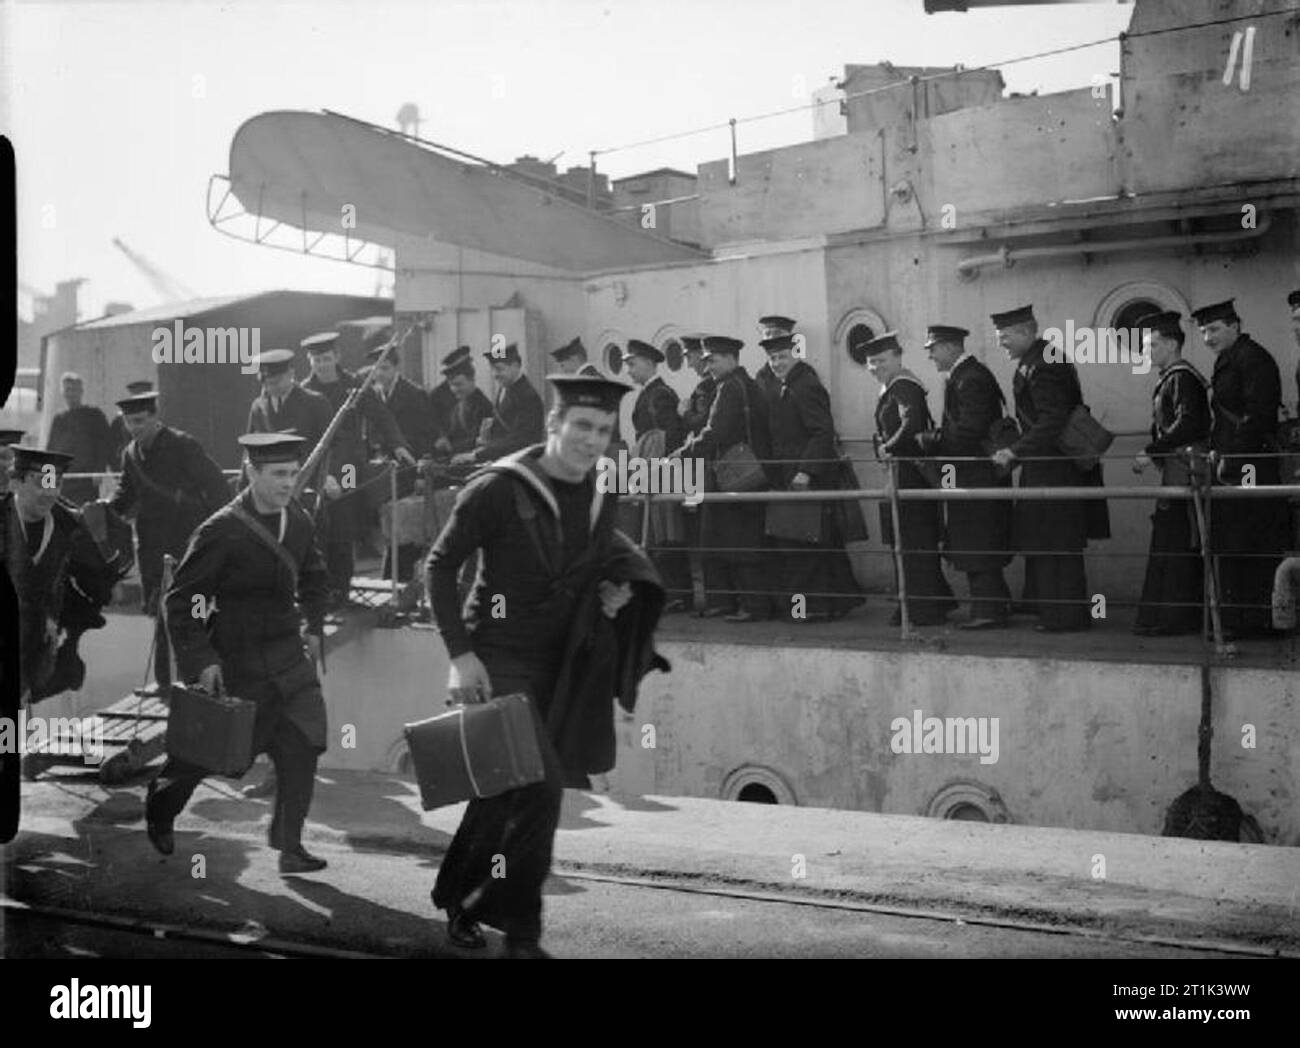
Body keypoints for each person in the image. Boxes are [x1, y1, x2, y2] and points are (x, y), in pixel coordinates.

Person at [426, 374, 666, 959]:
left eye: (604, 431)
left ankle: (460, 895)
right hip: (498, 657)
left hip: (561, 664)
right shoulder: (496, 489)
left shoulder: (602, 494)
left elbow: (591, 563)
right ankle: (520, 930)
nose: (592, 440)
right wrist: (460, 656)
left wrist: (614, 593)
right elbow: (438, 566)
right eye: (582, 426)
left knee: (501, 793)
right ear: (553, 425)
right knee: (540, 785)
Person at [146, 433, 331, 875]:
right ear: (251, 473)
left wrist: (315, 623)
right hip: (238, 662)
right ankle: (161, 805)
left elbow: (314, 574)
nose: (290, 483)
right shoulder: (221, 531)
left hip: (288, 661)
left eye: (292, 473)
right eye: (279, 475)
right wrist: (202, 659)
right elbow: (183, 601)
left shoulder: (299, 521)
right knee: (208, 755)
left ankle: (290, 846)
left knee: (302, 745)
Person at [989, 305, 1110, 632]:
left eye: (1006, 336)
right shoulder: (1045, 358)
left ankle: (1064, 618)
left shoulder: (1042, 365)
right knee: (1053, 542)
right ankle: (1058, 614)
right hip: (1054, 463)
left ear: (1028, 331)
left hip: (1053, 466)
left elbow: (1052, 420)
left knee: (1055, 542)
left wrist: (1014, 450)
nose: (1002, 343)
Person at [109, 392, 230, 690]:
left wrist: (216, 537)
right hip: (152, 548)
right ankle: (165, 684)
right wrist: (104, 509)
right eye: (129, 422)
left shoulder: (183, 446)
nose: (134, 428)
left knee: (196, 609)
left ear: (154, 417)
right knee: (162, 616)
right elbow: (125, 496)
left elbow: (217, 489)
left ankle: (201, 677)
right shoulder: (130, 454)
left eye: (139, 421)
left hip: (189, 543)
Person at [1193, 298, 1287, 637]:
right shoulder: (1232, 358)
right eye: (1203, 331)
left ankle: (1256, 621)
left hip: (1250, 464)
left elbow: (1258, 416)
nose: (1208, 337)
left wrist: (1229, 456)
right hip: (1235, 463)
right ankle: (1241, 619)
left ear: (1236, 326)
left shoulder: (1252, 359)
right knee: (1236, 540)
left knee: (1252, 540)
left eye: (1214, 329)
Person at [300, 331, 415, 605]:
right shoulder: (304, 392)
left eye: (326, 359)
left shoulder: (356, 387)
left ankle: (341, 588)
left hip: (349, 465)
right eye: (316, 360)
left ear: (337, 357)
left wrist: (398, 445)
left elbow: (382, 416)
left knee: (344, 521)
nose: (321, 365)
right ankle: (320, 589)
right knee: (316, 527)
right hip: (318, 467)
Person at [759, 332, 862, 621]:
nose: (777, 363)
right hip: (794, 475)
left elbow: (822, 431)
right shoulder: (790, 384)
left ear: (795, 355)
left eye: (782, 356)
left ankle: (808, 610)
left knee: (801, 548)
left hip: (805, 478)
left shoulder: (804, 386)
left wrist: (806, 470)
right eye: (772, 358)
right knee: (811, 546)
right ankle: (832, 606)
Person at [916, 325, 1012, 629]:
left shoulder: (969, 379)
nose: (930, 355)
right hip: (976, 473)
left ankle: (988, 612)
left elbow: (970, 428)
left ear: (949, 347)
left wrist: (932, 439)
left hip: (976, 474)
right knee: (977, 540)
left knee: (977, 542)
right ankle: (995, 605)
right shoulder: (968, 375)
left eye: (933, 348)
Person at [674, 335, 773, 622]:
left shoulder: (730, 387)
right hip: (750, 472)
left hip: (734, 475)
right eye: (706, 361)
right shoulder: (745, 385)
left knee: (738, 540)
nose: (709, 367)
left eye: (713, 360)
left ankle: (752, 606)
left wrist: (682, 454)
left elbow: (715, 431)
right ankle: (742, 604)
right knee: (738, 539)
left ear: (731, 359)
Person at [861, 331, 956, 627]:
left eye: (881, 360)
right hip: (904, 472)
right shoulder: (896, 385)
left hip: (909, 474)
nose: (876, 367)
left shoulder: (903, 384)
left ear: (897, 357)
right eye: (871, 362)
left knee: (911, 541)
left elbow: (911, 422)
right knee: (912, 541)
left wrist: (886, 447)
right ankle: (930, 602)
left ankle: (921, 610)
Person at [1130, 311, 1211, 636]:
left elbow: (1190, 422)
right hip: (1178, 471)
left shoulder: (1182, 378)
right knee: (1172, 541)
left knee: (1177, 541)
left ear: (1172, 344)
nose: (1146, 352)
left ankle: (1173, 620)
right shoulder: (1176, 376)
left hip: (1185, 472)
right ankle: (1166, 618)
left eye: (1151, 345)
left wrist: (1152, 451)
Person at [623, 340, 692, 611]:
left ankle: (677, 594)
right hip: (652, 469)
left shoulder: (660, 394)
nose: (628, 370)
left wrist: (654, 462)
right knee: (657, 532)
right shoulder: (650, 393)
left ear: (650, 364)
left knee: (666, 532)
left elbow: (672, 433)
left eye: (632, 364)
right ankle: (671, 592)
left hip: (660, 471)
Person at [365, 335, 435, 581]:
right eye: (376, 369)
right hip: (385, 471)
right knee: (389, 524)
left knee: (406, 526)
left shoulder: (414, 394)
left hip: (409, 468)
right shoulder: (373, 395)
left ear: (396, 368)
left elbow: (427, 437)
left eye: (384, 368)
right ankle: (394, 576)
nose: (379, 374)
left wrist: (420, 473)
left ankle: (401, 579)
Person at [458, 342, 545, 466]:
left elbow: (520, 440)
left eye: (499, 369)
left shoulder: (528, 396)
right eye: (492, 370)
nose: (494, 375)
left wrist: (478, 455)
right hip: (505, 460)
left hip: (520, 465)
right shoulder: (506, 388)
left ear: (515, 366)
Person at [48, 372, 111, 505]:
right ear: (63, 392)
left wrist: (99, 470)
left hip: (85, 480)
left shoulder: (94, 416)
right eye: (67, 390)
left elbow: (104, 445)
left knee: (86, 517)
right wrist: (48, 480)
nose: (71, 394)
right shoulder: (59, 419)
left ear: (81, 391)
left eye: (74, 390)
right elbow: (50, 451)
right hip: (64, 480)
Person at [108, 381, 153, 470]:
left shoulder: (157, 417)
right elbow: (112, 445)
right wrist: (116, 469)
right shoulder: (120, 419)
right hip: (130, 466)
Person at [754, 315, 795, 405]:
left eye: (777, 333)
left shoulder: (803, 374)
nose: (771, 338)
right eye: (767, 334)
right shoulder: (762, 376)